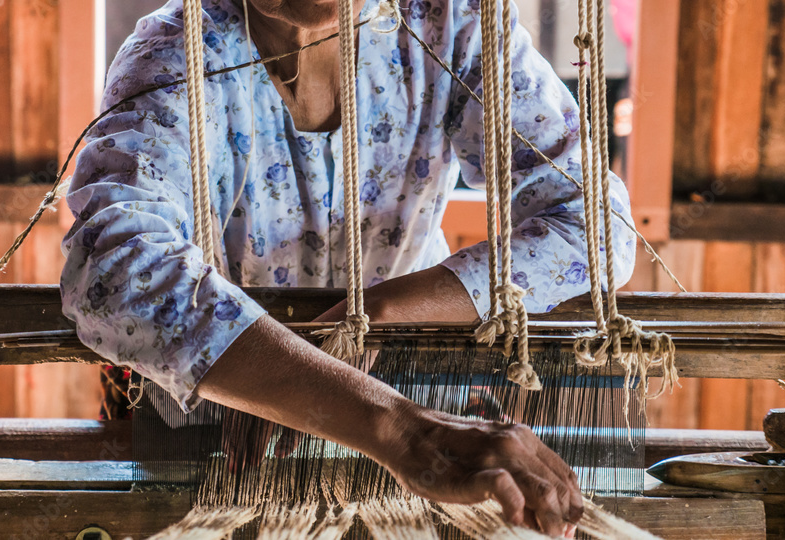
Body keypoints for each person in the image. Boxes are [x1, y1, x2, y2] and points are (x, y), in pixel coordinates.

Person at [59, 0, 637, 534]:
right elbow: (114, 268)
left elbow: (598, 227)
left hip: (426, 422)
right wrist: (401, 430)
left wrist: (374, 316)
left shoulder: (447, 25)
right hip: (225, 442)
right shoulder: (179, 55)